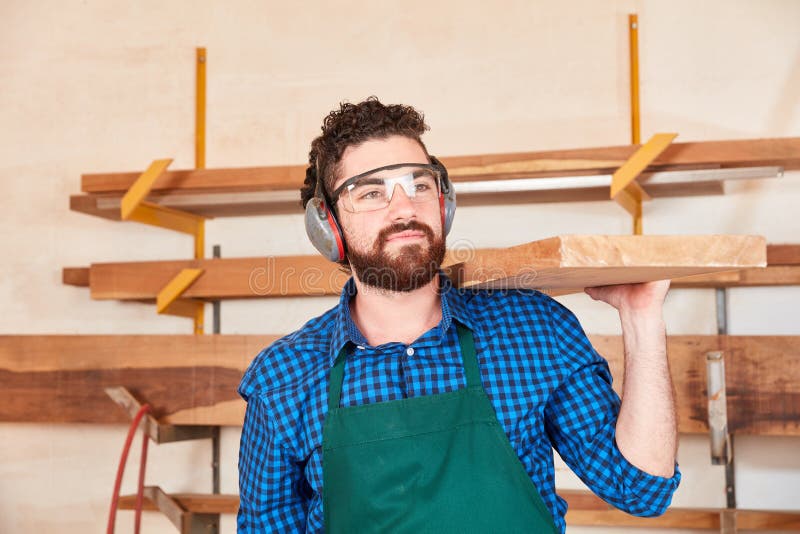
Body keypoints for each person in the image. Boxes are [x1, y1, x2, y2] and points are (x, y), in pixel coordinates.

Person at [237, 97, 680, 533]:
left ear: (444, 203)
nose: (404, 208)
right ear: (328, 226)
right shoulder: (283, 378)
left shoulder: (533, 330)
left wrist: (642, 320)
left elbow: (641, 490)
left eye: (419, 185)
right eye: (371, 193)